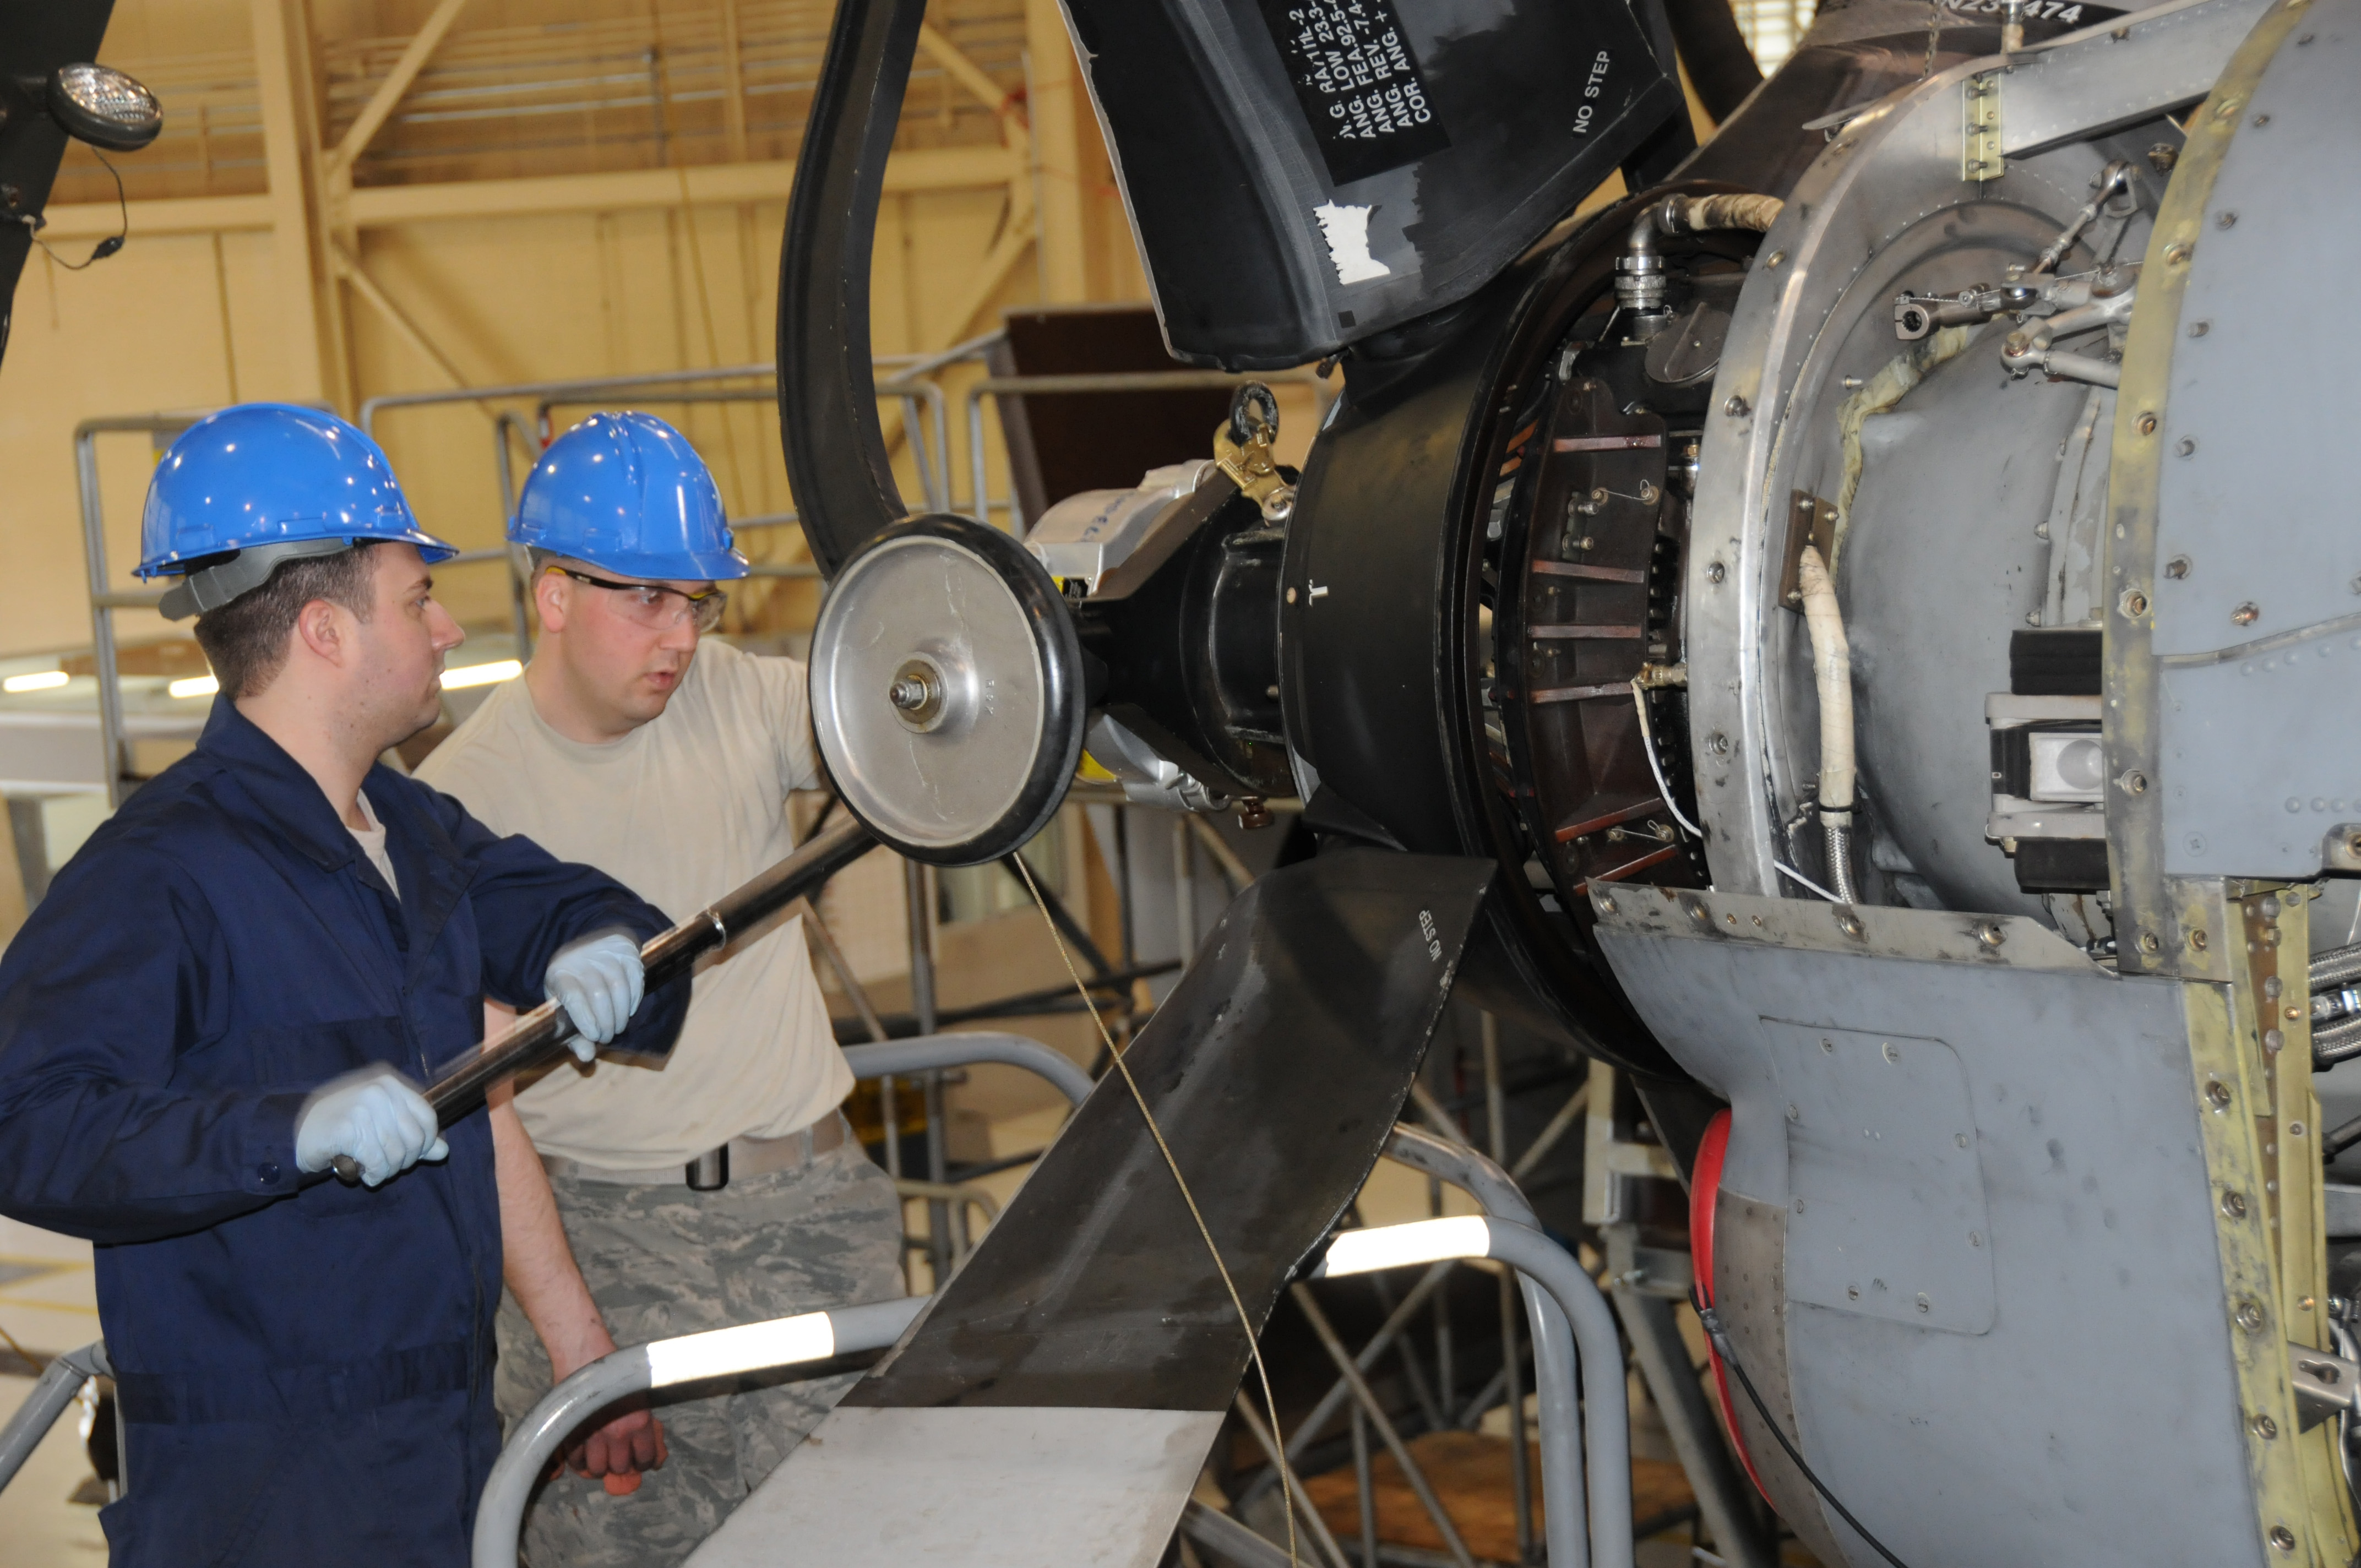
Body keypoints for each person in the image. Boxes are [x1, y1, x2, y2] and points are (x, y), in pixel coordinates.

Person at [0, 404, 691, 1567]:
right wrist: (287, 1130)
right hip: (265, 1489)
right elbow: (27, 1120)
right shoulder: (157, 869)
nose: (447, 623)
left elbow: (565, 903)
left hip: (440, 1447)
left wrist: (603, 940)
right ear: (326, 631)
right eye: (417, 596)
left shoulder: (406, 824)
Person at [413, 412, 900, 1566]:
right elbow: (484, 1116)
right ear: (553, 595)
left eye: (698, 600)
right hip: (613, 1245)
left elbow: (888, 731)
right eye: (648, 599)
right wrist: (581, 1349)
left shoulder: (730, 693)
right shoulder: (457, 800)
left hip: (813, 1209)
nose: (680, 635)